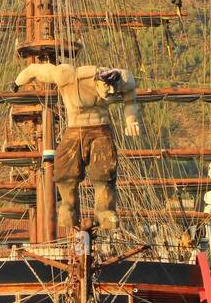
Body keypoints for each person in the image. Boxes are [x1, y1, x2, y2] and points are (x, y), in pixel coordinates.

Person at [13, 62, 140, 231]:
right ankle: (68, 207)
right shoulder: (67, 77)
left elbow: (130, 98)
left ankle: (105, 211)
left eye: (112, 91)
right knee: (65, 170)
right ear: (98, 82)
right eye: (107, 90)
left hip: (101, 128)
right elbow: (34, 70)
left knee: (105, 172)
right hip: (75, 128)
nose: (109, 94)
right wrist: (16, 83)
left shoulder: (120, 78)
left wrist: (131, 120)